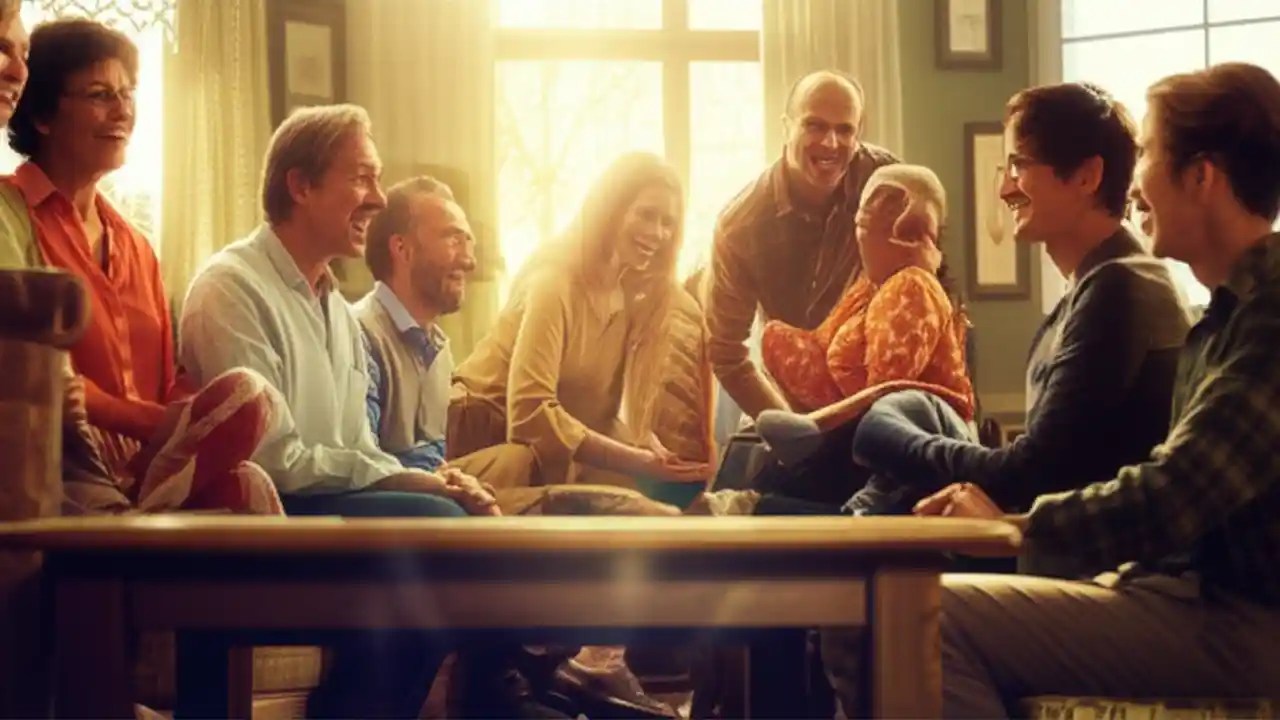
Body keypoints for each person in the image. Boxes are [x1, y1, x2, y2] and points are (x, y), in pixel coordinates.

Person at [824, 62, 1280, 718]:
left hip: (1241, 622)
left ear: (1202, 177)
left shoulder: (1267, 317)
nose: (1135, 184)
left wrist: (1013, 528)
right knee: (872, 604)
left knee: (912, 619)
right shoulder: (1223, 317)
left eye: (1150, 154)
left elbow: (1174, 494)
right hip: (1175, 592)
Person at [179, 104, 496, 718]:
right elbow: (270, 458)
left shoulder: (338, 312)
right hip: (261, 516)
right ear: (301, 185)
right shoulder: (230, 288)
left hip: (326, 508)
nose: (378, 199)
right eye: (362, 178)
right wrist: (411, 484)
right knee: (437, 527)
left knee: (454, 528)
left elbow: (359, 447)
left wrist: (431, 479)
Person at [774, 83, 1190, 543]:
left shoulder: (1119, 288)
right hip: (1043, 533)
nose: (1006, 188)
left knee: (896, 421)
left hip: (1076, 555)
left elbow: (1032, 473)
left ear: (1086, 177)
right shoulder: (1099, 285)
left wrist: (883, 434)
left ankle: (771, 517)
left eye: (1020, 166)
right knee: (913, 424)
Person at [3, 18, 280, 515]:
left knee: (248, 477)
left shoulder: (136, 245)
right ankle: (138, 515)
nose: (123, 110)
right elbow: (35, 375)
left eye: (128, 93)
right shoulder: (12, 212)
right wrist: (157, 424)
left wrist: (184, 420)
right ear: (42, 114)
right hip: (65, 469)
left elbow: (168, 382)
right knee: (247, 398)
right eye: (99, 95)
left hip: (146, 464)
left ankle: (149, 503)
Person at [447, 152, 710, 492]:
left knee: (651, 494)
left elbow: (596, 420)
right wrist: (637, 460)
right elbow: (530, 414)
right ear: (611, 209)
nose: (657, 233)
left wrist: (645, 449)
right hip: (477, 441)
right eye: (646, 214)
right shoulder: (553, 282)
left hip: (538, 453)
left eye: (667, 222)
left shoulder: (627, 297)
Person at [706, 69, 898, 421]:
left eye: (845, 130)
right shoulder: (740, 226)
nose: (831, 143)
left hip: (880, 395)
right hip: (790, 399)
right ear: (786, 127)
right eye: (814, 126)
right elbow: (727, 352)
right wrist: (797, 430)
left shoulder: (884, 178)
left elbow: (927, 282)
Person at [357, 175, 472, 474]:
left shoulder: (440, 350)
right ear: (402, 249)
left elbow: (433, 460)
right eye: (453, 239)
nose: (468, 260)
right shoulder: (357, 335)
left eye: (468, 241)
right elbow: (361, 465)